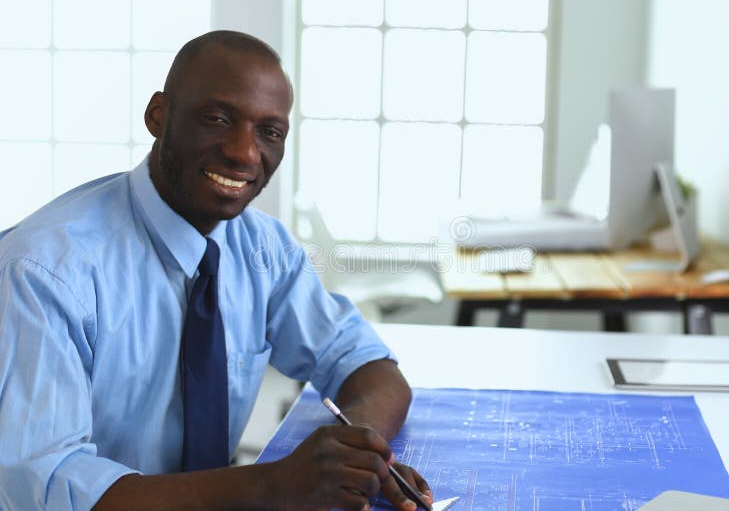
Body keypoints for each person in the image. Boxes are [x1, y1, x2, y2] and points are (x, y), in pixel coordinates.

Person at [0, 30, 432, 511]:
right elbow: (47, 489)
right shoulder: (42, 271)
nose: (245, 153)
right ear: (158, 115)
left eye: (270, 132)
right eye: (217, 119)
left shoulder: (261, 246)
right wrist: (271, 485)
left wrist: (360, 454)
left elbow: (366, 364)